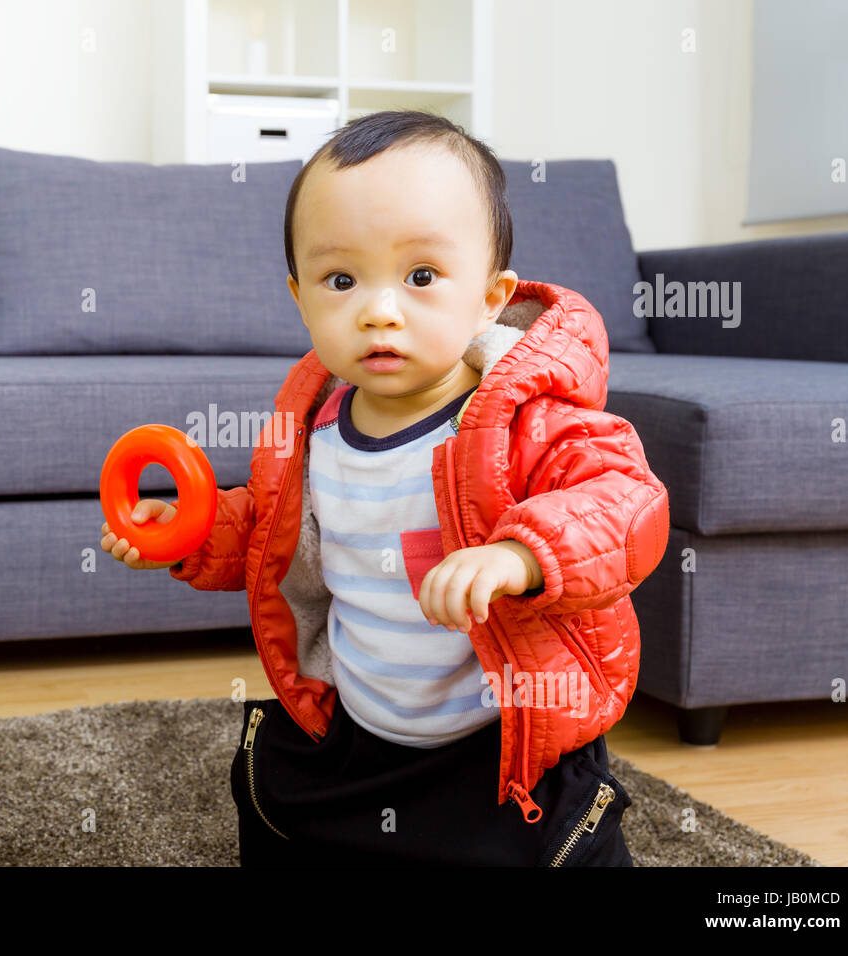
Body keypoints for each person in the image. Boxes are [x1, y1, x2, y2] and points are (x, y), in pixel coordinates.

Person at [100, 109, 669, 866]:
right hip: (364, 728)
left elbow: (626, 505)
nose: (378, 310)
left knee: (555, 847)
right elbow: (268, 528)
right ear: (301, 298)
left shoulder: (527, 420)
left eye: (422, 277)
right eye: (342, 279)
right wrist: (187, 532)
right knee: (275, 795)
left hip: (499, 744)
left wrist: (521, 555)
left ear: (492, 296)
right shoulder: (310, 428)